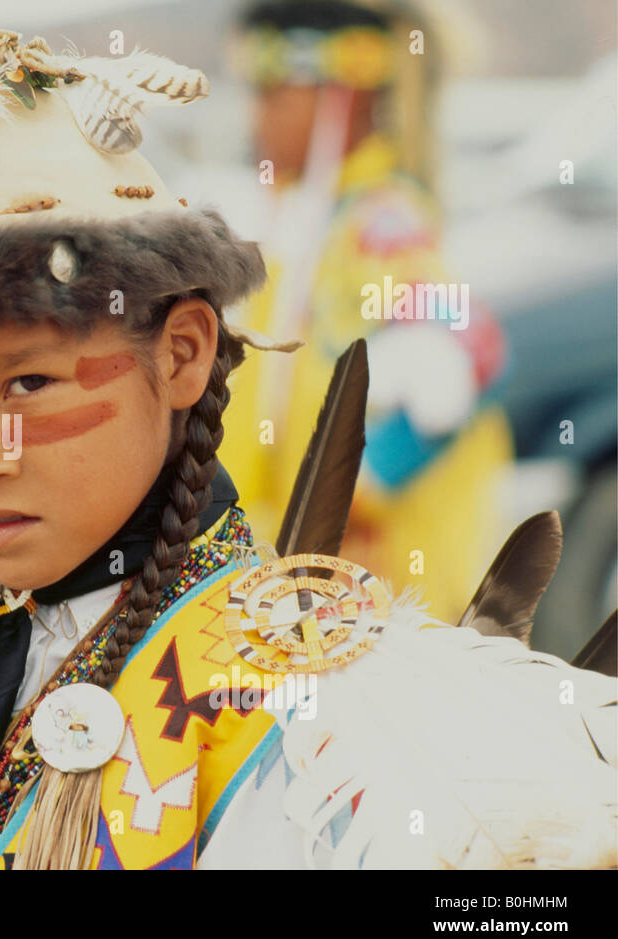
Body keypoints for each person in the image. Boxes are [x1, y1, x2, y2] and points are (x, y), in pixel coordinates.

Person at [0, 7, 616, 871]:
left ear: (186, 353)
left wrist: (375, 483)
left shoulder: (301, 724)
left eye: (26, 383)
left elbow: (461, 349)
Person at [222, 0, 514, 623]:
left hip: (373, 591)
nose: (256, 116)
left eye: (275, 94)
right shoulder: (318, 219)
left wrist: (355, 487)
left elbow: (467, 354)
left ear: (343, 98)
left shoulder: (380, 224)